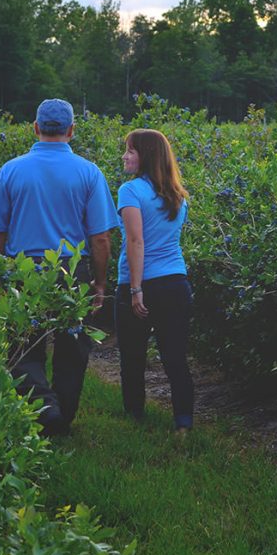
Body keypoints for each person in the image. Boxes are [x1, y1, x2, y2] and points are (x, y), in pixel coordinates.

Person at [0, 98, 118, 436]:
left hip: (22, 270)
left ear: (36, 128)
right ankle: (62, 416)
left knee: (23, 345)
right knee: (73, 348)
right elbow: (100, 238)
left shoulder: (11, 170)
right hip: (73, 272)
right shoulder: (89, 172)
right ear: (72, 130)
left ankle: (43, 409)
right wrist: (99, 283)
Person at [114, 128, 195, 433]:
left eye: (130, 151)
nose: (125, 156)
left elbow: (136, 242)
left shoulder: (130, 190)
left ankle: (135, 419)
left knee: (132, 357)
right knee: (175, 358)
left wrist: (136, 290)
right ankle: (183, 424)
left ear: (145, 156)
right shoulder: (177, 195)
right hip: (175, 283)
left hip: (140, 284)